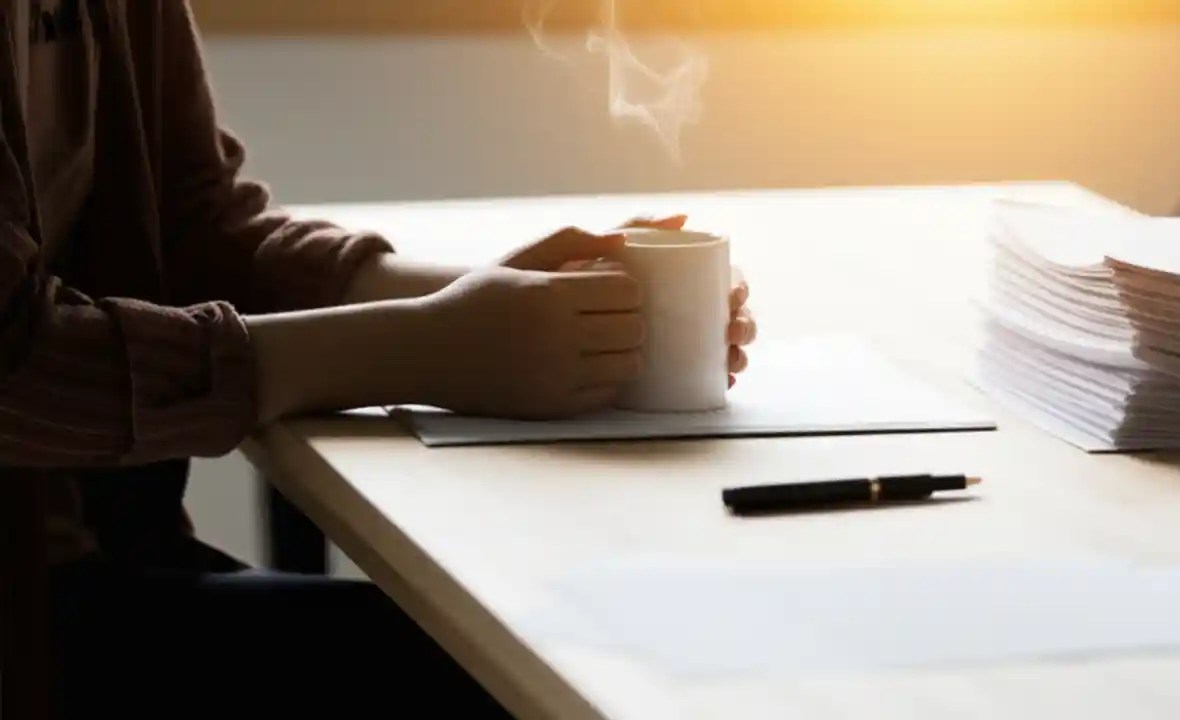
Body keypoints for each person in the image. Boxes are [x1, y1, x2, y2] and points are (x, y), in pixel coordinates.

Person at [1, 0, 757, 717]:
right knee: (569, 677)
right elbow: (17, 364)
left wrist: (506, 303)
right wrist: (428, 346)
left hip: (110, 572)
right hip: (41, 641)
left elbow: (198, 227)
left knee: (603, 652)